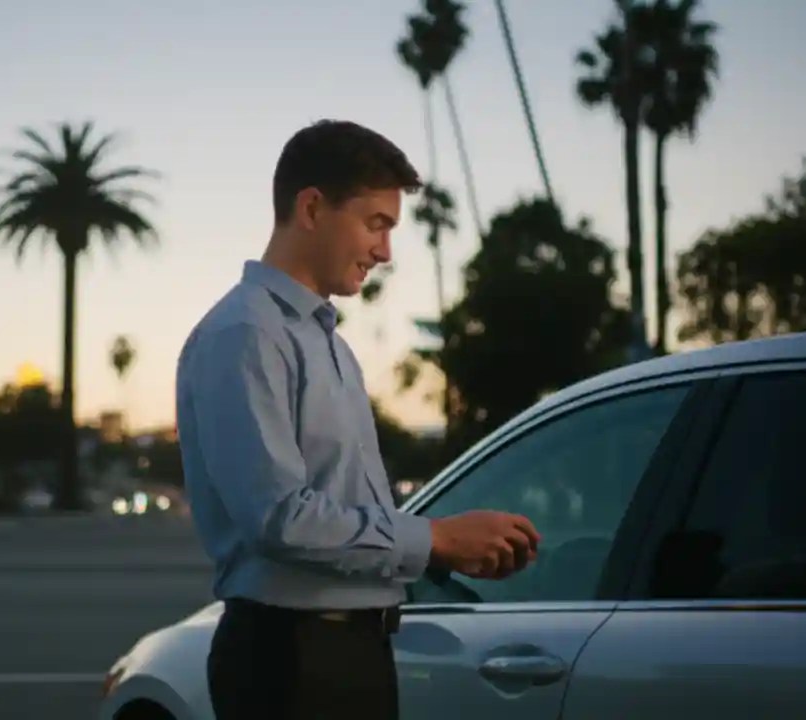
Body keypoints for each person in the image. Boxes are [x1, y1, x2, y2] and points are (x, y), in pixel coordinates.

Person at [175, 119, 541, 720]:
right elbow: (278, 516)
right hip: (289, 660)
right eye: (376, 224)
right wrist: (440, 539)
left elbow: (337, 504)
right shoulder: (246, 333)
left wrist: (449, 548)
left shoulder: (327, 344)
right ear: (313, 208)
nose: (386, 251)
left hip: (348, 650)